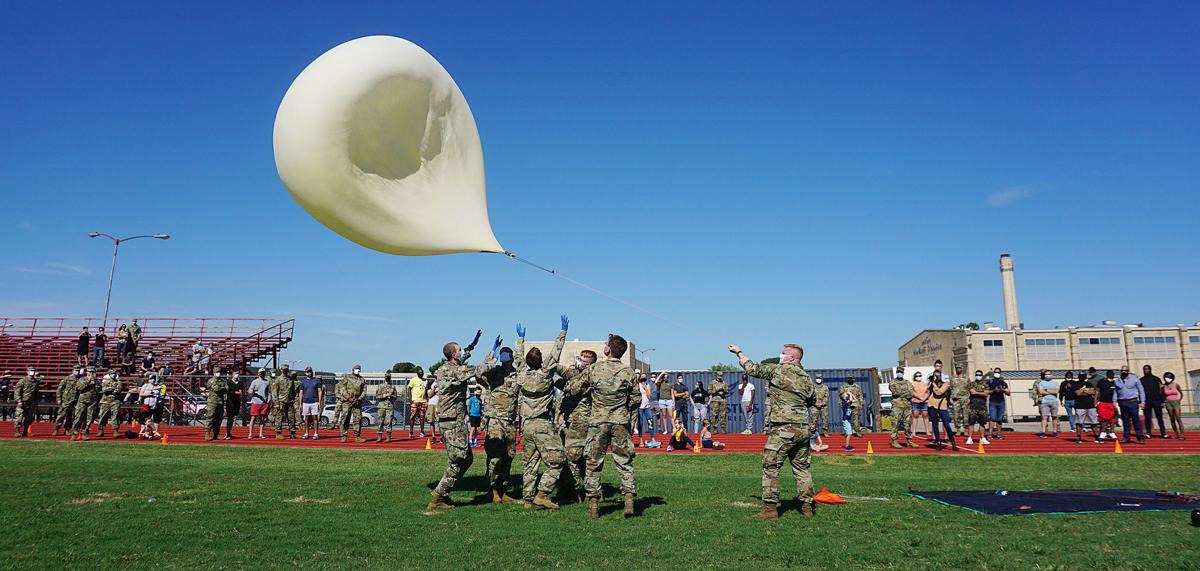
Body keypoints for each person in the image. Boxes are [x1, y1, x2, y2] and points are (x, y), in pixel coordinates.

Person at [728, 342, 816, 520]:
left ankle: (769, 509)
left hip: (783, 427)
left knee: (770, 466)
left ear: (792, 358)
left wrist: (739, 352)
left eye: (784, 353)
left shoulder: (779, 370)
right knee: (801, 468)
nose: (781, 356)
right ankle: (807, 507)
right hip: (802, 428)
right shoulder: (806, 377)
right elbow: (811, 400)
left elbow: (752, 369)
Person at [568, 334, 638, 519]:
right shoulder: (628, 372)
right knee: (624, 460)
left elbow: (575, 388)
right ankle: (629, 498)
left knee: (593, 462)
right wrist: (623, 408)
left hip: (598, 422)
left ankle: (593, 503)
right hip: (620, 421)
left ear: (608, 350)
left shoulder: (595, 369)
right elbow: (637, 399)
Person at [427, 331, 495, 510]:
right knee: (459, 459)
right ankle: (438, 496)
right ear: (453, 354)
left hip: (453, 420)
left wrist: (473, 346)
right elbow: (477, 370)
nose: (462, 351)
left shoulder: (445, 368)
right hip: (451, 421)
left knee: (466, 458)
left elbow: (464, 358)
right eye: (459, 350)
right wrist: (491, 357)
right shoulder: (454, 371)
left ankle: (444, 493)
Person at [512, 319, 572, 509]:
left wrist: (520, 339)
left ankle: (528, 499)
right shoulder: (545, 375)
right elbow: (556, 353)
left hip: (527, 425)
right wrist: (562, 332)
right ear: (541, 362)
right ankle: (543, 493)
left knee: (530, 462)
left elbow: (518, 358)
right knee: (558, 460)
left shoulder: (521, 373)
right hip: (542, 424)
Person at [557, 349, 599, 502]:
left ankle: (576, 491)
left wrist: (552, 365)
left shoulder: (588, 376)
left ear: (590, 364)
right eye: (579, 358)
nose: (579, 362)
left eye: (583, 360)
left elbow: (572, 388)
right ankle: (590, 492)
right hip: (573, 421)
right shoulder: (579, 374)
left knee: (571, 457)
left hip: (580, 422)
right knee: (582, 458)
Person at [1115, 365, 1147, 444]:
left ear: (1128, 371)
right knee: (1125, 421)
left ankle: (1140, 438)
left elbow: (1141, 391)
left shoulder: (1135, 379)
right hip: (1122, 402)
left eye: (1125, 371)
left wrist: (1143, 402)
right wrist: (1114, 402)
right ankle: (1126, 437)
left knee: (1136, 420)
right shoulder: (1117, 381)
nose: (1124, 372)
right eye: (1122, 371)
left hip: (1132, 402)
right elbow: (1115, 392)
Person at [888, 368, 919, 449]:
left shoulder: (907, 382)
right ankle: (894, 441)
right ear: (896, 373)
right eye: (898, 372)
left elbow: (911, 393)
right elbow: (895, 392)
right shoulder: (893, 382)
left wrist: (902, 395)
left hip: (907, 406)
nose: (899, 373)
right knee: (895, 424)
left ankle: (909, 441)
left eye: (901, 372)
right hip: (897, 406)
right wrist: (906, 393)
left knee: (907, 424)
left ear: (903, 373)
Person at [927, 372, 957, 450]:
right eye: (934, 376)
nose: (935, 377)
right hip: (932, 405)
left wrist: (933, 384)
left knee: (946, 424)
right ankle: (938, 442)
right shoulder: (932, 383)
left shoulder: (946, 384)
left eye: (937, 376)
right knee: (935, 424)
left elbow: (939, 392)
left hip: (942, 406)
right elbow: (927, 391)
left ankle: (953, 441)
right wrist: (930, 382)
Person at [339, 365, 367, 443]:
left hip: (357, 402)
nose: (358, 370)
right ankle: (344, 436)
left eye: (359, 369)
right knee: (345, 418)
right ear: (353, 370)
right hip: (347, 402)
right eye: (356, 369)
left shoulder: (362, 379)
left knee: (357, 419)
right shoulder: (347, 377)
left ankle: (357, 436)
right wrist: (349, 398)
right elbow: (342, 388)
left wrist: (359, 398)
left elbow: (364, 391)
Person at [270, 368, 299, 439]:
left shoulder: (290, 379)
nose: (285, 371)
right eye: (284, 370)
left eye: (286, 370)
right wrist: (276, 403)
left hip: (289, 401)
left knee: (291, 417)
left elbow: (293, 390)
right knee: (279, 418)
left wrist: (293, 399)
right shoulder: (278, 379)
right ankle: (278, 433)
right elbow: (274, 392)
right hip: (281, 401)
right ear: (281, 370)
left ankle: (293, 433)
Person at [1071, 373, 1099, 443]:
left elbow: (1094, 392)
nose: (1082, 377)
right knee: (1079, 422)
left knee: (1093, 422)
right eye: (1081, 376)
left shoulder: (1089, 383)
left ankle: (1097, 437)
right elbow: (1078, 393)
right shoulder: (1075, 384)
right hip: (1080, 406)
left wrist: (1083, 390)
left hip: (1090, 405)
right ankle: (1078, 437)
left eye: (1083, 376)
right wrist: (1088, 391)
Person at [1140, 365, 1167, 439]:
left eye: (1147, 369)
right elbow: (1139, 391)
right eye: (1145, 369)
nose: (1146, 370)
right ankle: (1148, 433)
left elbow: (1162, 390)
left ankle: (1163, 433)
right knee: (1148, 418)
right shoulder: (1141, 380)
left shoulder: (1156, 379)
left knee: (1159, 417)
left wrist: (1162, 401)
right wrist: (1141, 402)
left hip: (1156, 401)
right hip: (1147, 402)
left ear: (1150, 369)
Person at [13, 368, 41, 437]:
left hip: (31, 402)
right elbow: (17, 392)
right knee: (19, 417)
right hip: (23, 402)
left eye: (33, 371)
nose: (32, 372)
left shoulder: (36, 382)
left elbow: (36, 392)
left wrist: (36, 402)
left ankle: (25, 431)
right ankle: (17, 431)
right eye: (31, 371)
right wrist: (19, 401)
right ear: (27, 372)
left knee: (29, 418)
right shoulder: (22, 381)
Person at [53, 367, 82, 436]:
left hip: (74, 401)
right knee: (61, 415)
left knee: (71, 416)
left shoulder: (80, 379)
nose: (77, 372)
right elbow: (59, 389)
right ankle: (56, 429)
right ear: (73, 371)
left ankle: (67, 429)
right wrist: (59, 399)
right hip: (65, 400)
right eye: (75, 370)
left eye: (78, 370)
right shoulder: (67, 378)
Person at [203, 367, 230, 441]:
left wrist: (222, 388)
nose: (219, 373)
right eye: (217, 372)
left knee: (219, 418)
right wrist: (222, 388)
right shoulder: (211, 381)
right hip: (212, 402)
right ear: (214, 373)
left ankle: (216, 434)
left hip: (220, 402)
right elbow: (216, 389)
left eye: (219, 372)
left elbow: (227, 389)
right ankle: (207, 434)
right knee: (210, 417)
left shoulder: (222, 381)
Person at [965, 370, 990, 445]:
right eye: (977, 374)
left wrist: (977, 392)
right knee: (971, 423)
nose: (978, 376)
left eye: (979, 375)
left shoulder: (985, 384)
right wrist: (981, 392)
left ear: (982, 375)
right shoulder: (972, 384)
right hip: (973, 406)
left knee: (982, 423)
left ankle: (982, 438)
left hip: (982, 406)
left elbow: (986, 394)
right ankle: (969, 438)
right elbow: (972, 392)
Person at [70, 368, 96, 440]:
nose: (91, 373)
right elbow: (79, 388)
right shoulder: (82, 379)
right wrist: (88, 380)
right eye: (90, 371)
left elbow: (99, 390)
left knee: (89, 419)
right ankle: (74, 434)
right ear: (87, 372)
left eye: (92, 372)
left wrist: (96, 383)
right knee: (79, 417)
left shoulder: (96, 380)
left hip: (92, 402)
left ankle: (85, 434)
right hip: (82, 401)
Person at [95, 370, 123, 438]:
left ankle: (115, 431)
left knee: (115, 416)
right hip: (105, 401)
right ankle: (101, 430)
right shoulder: (105, 382)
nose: (113, 375)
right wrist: (113, 389)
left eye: (114, 373)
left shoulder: (119, 382)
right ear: (109, 375)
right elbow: (104, 390)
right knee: (103, 416)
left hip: (115, 401)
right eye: (112, 374)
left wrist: (111, 389)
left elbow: (118, 390)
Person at [298, 367, 323, 439]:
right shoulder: (303, 382)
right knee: (306, 418)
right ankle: (306, 433)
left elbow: (319, 391)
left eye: (310, 371)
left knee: (315, 417)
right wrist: (300, 404)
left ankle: (316, 433)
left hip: (314, 402)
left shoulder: (317, 381)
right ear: (305, 373)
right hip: (305, 402)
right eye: (308, 371)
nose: (309, 373)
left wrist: (319, 401)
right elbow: (301, 392)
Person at [1095, 369, 1119, 441]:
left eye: (1113, 374)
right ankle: (1103, 431)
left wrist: (1116, 403)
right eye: (1110, 374)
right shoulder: (1101, 382)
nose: (1112, 376)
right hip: (1103, 402)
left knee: (1112, 418)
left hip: (1112, 403)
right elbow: (1097, 391)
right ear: (1107, 375)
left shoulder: (1115, 383)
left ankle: (1111, 432)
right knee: (1102, 418)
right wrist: (1095, 401)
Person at [1036, 370, 1060, 438]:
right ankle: (1043, 432)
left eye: (1049, 374)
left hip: (1054, 401)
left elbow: (1057, 391)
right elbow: (1041, 392)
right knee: (1044, 417)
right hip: (1045, 402)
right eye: (1046, 374)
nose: (1047, 375)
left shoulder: (1055, 383)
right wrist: (1051, 391)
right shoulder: (1041, 383)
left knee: (1054, 417)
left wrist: (1046, 390)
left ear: (1051, 375)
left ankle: (1055, 432)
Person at [248, 369, 271, 439]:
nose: (262, 374)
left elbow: (269, 392)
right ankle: (250, 433)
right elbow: (250, 391)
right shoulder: (254, 382)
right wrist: (252, 391)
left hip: (264, 403)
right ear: (258, 373)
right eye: (260, 373)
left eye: (263, 373)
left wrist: (268, 400)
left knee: (262, 418)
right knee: (253, 418)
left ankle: (261, 433)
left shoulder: (267, 382)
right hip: (255, 402)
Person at [987, 369, 1010, 440]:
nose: (997, 373)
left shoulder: (1003, 383)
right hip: (993, 402)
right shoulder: (990, 382)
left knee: (999, 419)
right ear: (993, 373)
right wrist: (994, 390)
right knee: (992, 418)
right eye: (995, 372)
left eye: (998, 372)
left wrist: (1003, 390)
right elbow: (986, 392)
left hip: (1001, 402)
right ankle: (990, 434)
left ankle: (999, 434)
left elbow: (1008, 393)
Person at [138, 375, 162, 440]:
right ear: (148, 379)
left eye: (154, 378)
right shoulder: (145, 386)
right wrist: (149, 393)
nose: (153, 380)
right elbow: (141, 394)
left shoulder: (157, 386)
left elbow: (159, 395)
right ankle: (143, 433)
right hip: (147, 405)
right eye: (151, 378)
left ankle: (154, 433)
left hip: (154, 405)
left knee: (155, 420)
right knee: (145, 420)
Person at [637, 372, 658, 447]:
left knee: (650, 422)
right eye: (642, 376)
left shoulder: (647, 385)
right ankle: (640, 439)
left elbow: (649, 397)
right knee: (641, 423)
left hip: (647, 407)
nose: (643, 378)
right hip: (640, 407)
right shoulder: (637, 385)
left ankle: (652, 439)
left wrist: (646, 388)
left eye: (645, 377)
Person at [375, 372, 397, 442]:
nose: (387, 378)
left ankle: (388, 437)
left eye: (389, 376)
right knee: (380, 421)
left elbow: (396, 397)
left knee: (389, 421)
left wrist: (391, 396)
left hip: (389, 406)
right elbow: (377, 396)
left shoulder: (393, 387)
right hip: (381, 406)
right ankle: (379, 437)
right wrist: (385, 395)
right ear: (384, 377)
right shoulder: (380, 386)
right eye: (386, 376)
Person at [407, 368, 428, 438]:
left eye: (422, 372)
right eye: (420, 372)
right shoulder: (413, 380)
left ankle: (422, 432)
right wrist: (410, 399)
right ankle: (411, 432)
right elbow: (409, 389)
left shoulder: (426, 381)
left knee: (422, 417)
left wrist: (427, 400)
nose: (421, 373)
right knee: (412, 417)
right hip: (415, 401)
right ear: (417, 373)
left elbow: (426, 391)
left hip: (423, 401)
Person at [1162, 373, 1184, 439]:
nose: (1167, 378)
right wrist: (1163, 401)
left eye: (1169, 377)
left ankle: (1182, 434)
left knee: (1178, 418)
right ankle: (1176, 434)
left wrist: (1179, 400)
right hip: (1168, 402)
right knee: (1172, 419)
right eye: (1166, 377)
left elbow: (1181, 393)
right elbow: (1162, 395)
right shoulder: (1163, 386)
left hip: (1175, 402)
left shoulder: (1176, 385)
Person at [810, 376, 829, 452]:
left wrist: (822, 403)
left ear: (821, 379)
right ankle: (813, 432)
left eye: (820, 378)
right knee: (813, 420)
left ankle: (825, 432)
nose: (818, 379)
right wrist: (815, 403)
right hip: (814, 406)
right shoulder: (813, 387)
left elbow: (827, 396)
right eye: (817, 378)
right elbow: (810, 396)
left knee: (825, 419)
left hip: (823, 406)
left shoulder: (825, 387)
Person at [949, 366, 970, 437]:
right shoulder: (952, 378)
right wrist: (950, 398)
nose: (959, 369)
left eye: (960, 368)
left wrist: (969, 398)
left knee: (965, 415)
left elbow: (969, 388)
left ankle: (966, 429)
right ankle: (958, 429)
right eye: (957, 368)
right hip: (955, 399)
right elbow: (950, 388)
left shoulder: (966, 377)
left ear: (962, 369)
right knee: (955, 415)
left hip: (965, 398)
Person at [223, 371, 244, 439]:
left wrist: (236, 392)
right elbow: (228, 391)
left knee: (232, 418)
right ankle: (227, 432)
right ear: (232, 374)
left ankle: (229, 432)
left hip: (236, 402)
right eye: (235, 373)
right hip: (230, 401)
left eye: (238, 373)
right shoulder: (229, 382)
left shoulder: (240, 383)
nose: (237, 375)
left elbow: (240, 392)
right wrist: (235, 392)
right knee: (230, 417)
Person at [909, 371, 930, 436]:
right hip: (915, 402)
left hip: (925, 402)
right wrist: (919, 397)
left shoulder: (925, 384)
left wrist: (924, 398)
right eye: (917, 376)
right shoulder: (912, 384)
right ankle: (914, 431)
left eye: (920, 375)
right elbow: (912, 392)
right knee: (915, 416)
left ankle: (927, 431)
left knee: (925, 416)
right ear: (915, 377)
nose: (919, 377)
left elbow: (928, 392)